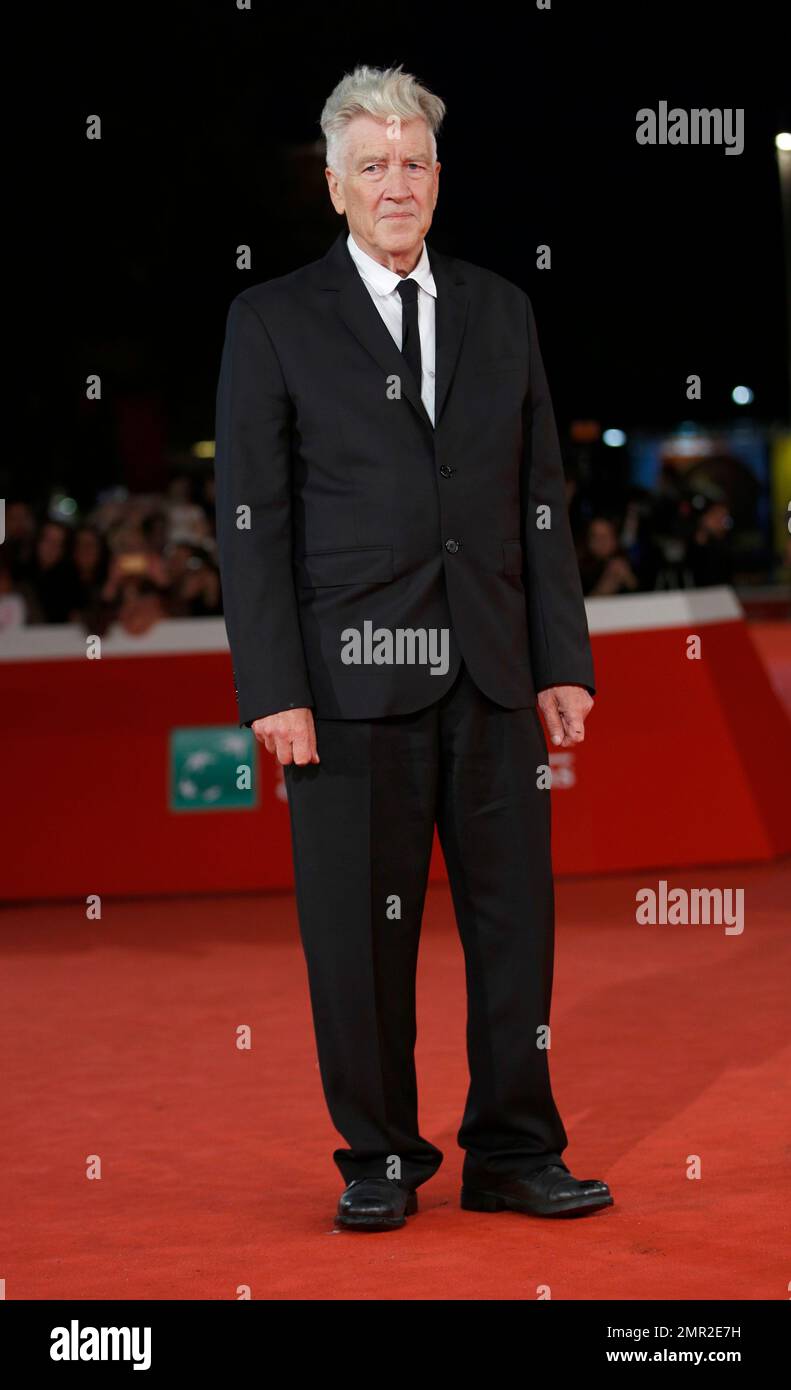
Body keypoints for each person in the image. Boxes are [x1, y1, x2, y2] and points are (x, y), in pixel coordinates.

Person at [214, 64, 612, 1232]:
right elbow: (254, 522)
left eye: (414, 163)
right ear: (334, 187)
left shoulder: (499, 309)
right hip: (344, 687)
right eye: (373, 165)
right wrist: (273, 688)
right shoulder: (271, 320)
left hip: (490, 672)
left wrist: (561, 654)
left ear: (440, 180)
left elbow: (540, 491)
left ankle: (512, 1150)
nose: (397, 183)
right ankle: (379, 1156)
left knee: (514, 930)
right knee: (356, 942)